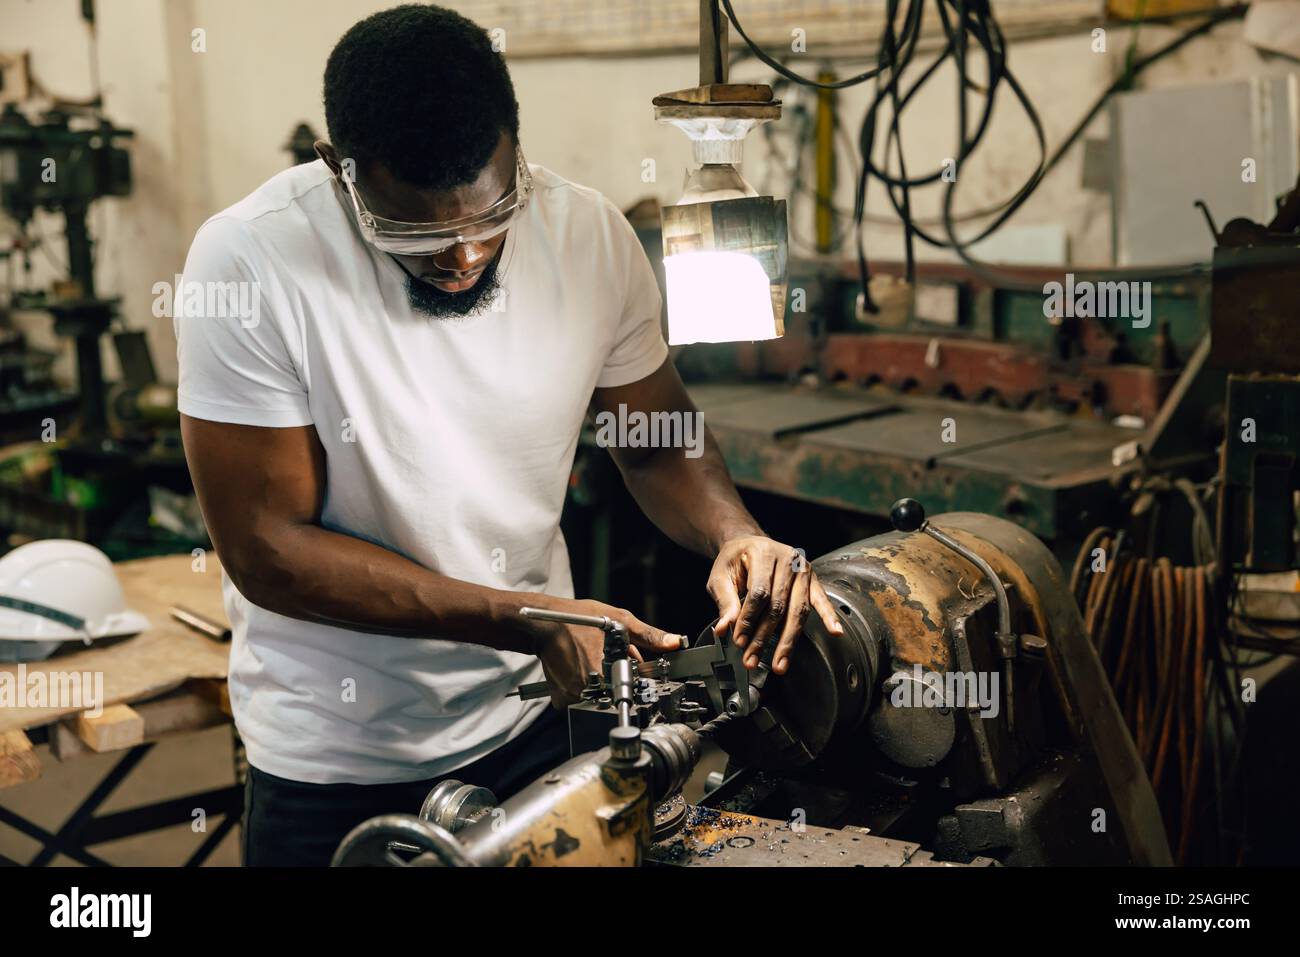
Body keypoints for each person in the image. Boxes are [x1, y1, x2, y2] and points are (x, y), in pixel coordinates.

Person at [175, 3, 841, 866]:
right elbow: (269, 549)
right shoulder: (249, 262)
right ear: (340, 169)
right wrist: (520, 616)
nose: (462, 257)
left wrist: (735, 532)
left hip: (537, 722)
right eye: (416, 233)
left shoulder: (588, 233)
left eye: (490, 220)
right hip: (337, 760)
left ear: (515, 147)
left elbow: (655, 440)